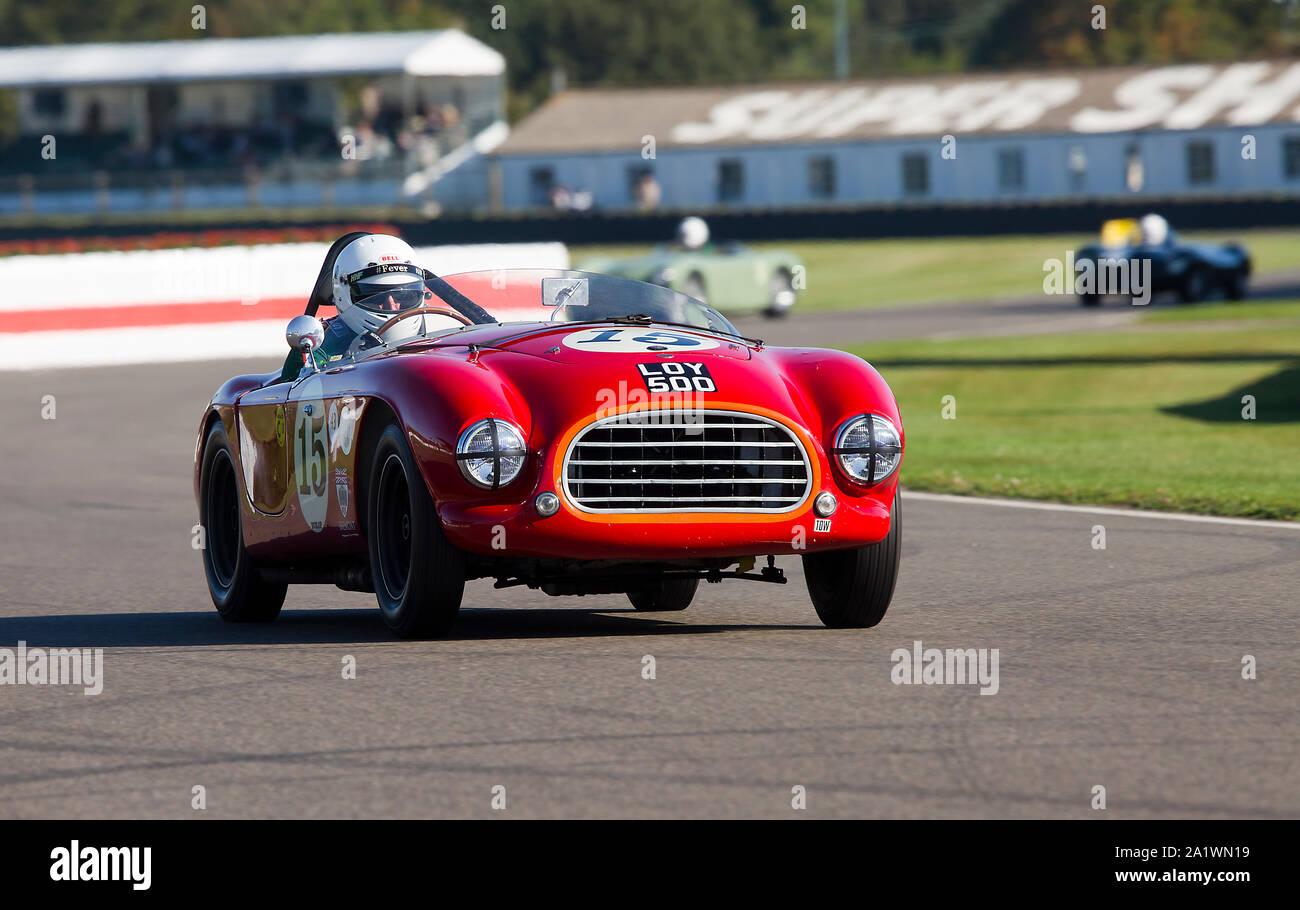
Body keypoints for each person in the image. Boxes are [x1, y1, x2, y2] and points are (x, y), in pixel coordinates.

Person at [278, 233, 432, 382]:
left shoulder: (442, 328)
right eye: (375, 296)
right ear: (342, 294)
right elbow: (292, 396)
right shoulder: (317, 347)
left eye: (404, 296)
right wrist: (346, 365)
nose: (392, 305)